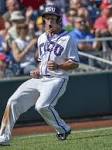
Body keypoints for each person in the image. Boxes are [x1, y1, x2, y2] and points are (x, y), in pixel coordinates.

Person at [0, 5, 79, 145]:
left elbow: (75, 63)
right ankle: (4, 137)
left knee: (42, 106)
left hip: (57, 79)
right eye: (46, 19)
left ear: (59, 20)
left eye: (52, 19)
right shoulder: (41, 37)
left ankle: (63, 128)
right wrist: (38, 70)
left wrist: (59, 65)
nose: (49, 22)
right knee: (13, 101)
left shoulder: (68, 38)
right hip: (39, 78)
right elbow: (42, 61)